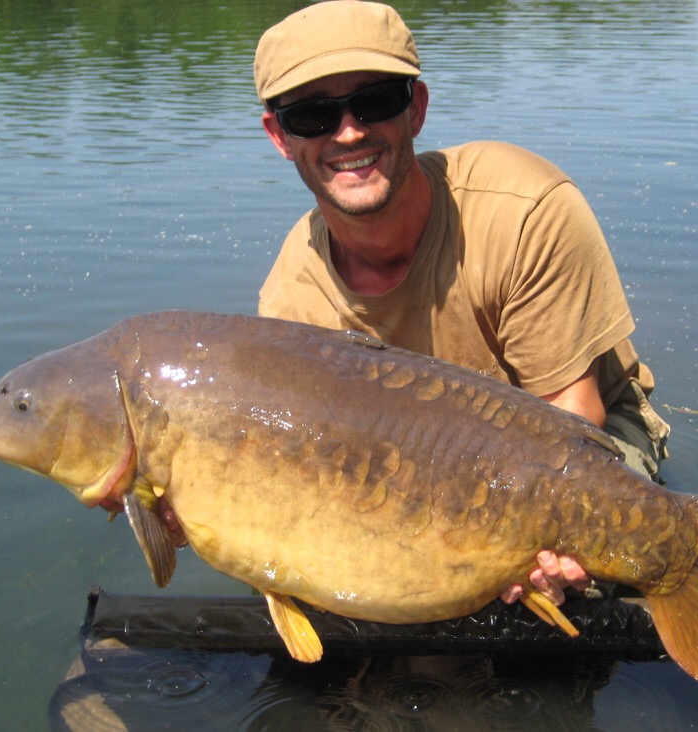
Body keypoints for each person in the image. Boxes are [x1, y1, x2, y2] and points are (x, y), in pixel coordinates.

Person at [253, 1, 670, 607]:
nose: (348, 132)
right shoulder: (292, 293)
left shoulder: (524, 209)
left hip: (580, 448)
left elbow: (574, 415)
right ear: (280, 137)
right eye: (312, 114)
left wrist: (502, 535)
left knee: (582, 562)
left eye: (375, 101)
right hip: (408, 468)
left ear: (416, 109)